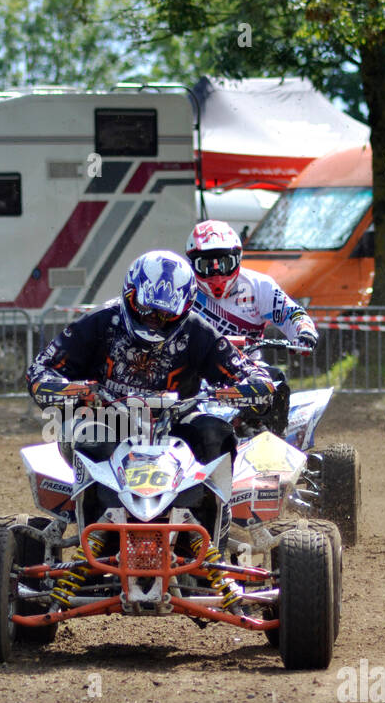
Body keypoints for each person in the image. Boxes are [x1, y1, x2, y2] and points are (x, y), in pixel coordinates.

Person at [27, 250, 275, 558]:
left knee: (216, 432)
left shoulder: (197, 331)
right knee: (89, 436)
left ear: (184, 309)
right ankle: (97, 540)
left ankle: (205, 541)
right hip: (108, 419)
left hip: (177, 425)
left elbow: (254, 375)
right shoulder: (99, 322)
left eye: (165, 315)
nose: (154, 321)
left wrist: (248, 388)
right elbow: (40, 370)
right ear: (130, 294)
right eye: (146, 310)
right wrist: (73, 390)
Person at [184, 220, 318, 436]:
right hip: (194, 370)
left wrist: (304, 332)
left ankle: (277, 440)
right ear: (192, 264)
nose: (217, 274)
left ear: (237, 259)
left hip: (248, 368)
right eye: (207, 266)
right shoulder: (183, 290)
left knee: (275, 381)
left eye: (224, 263)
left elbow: (291, 313)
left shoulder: (258, 285)